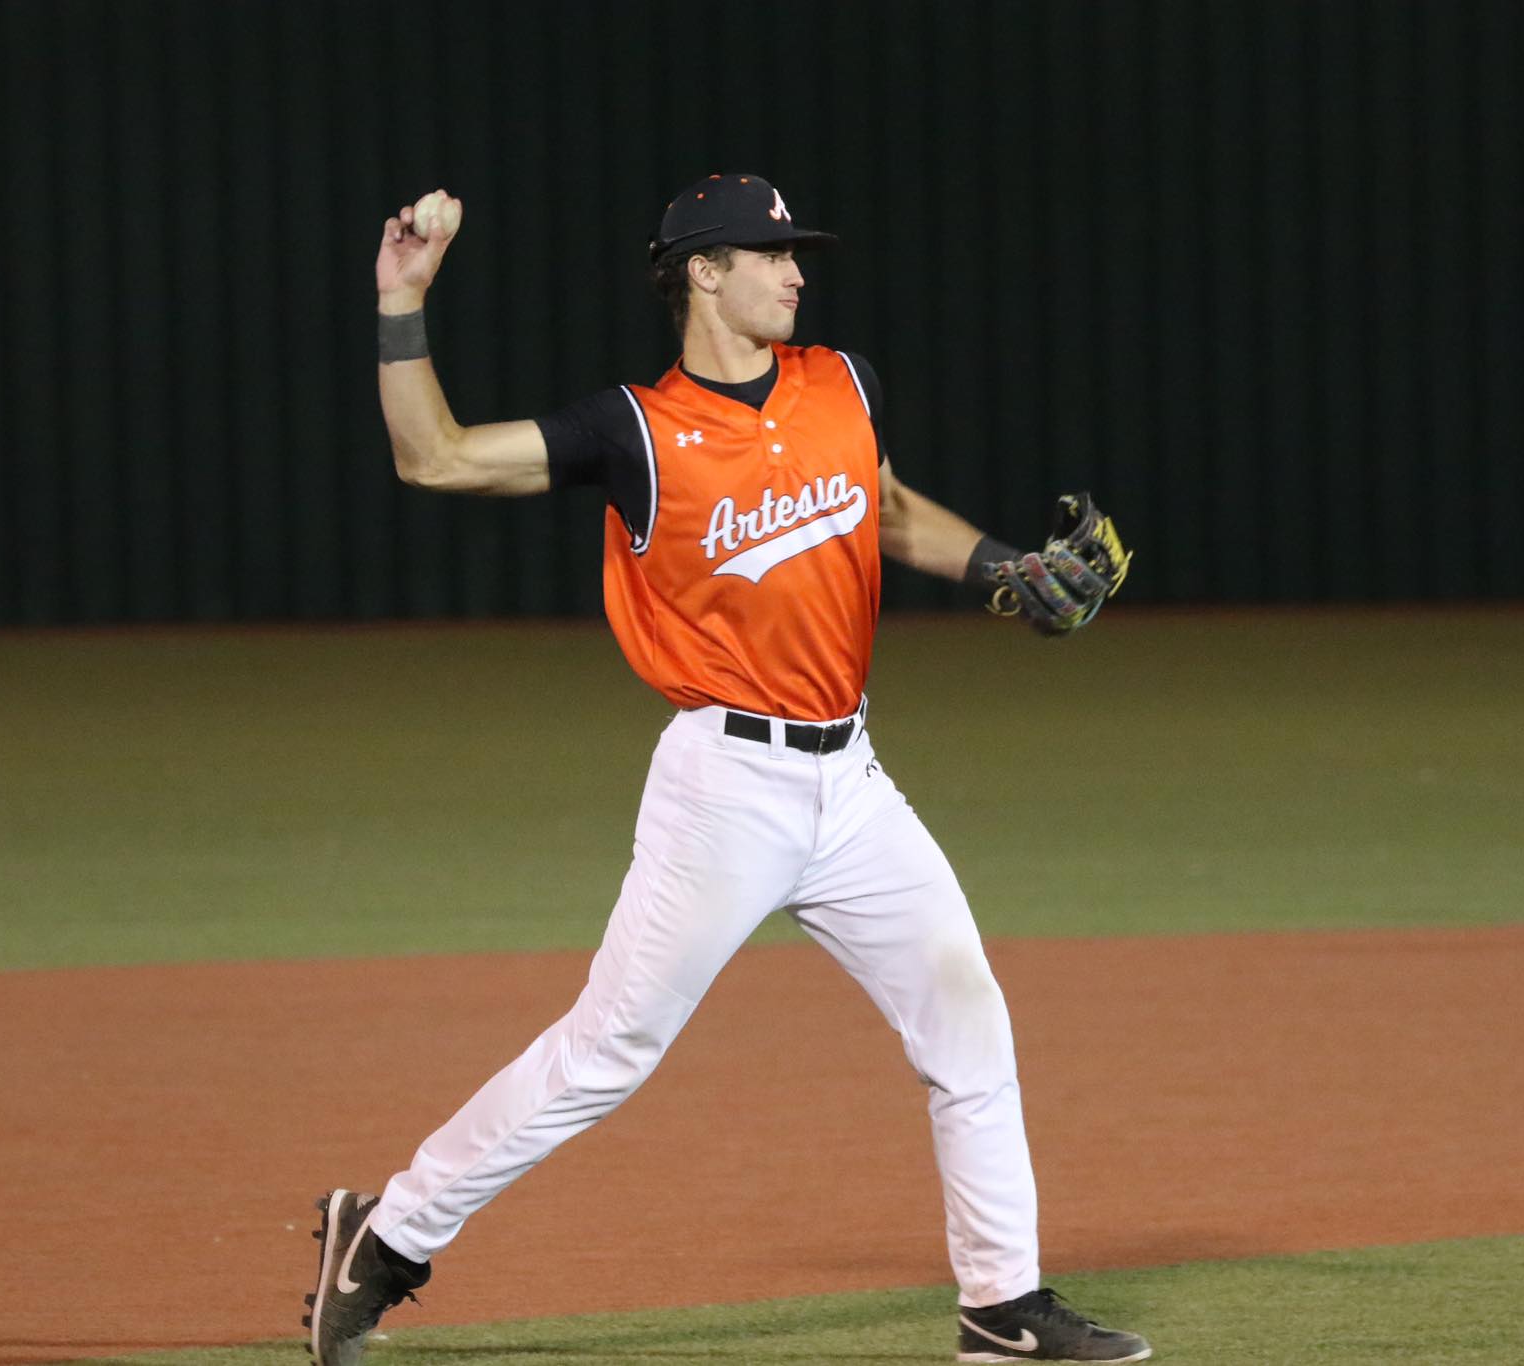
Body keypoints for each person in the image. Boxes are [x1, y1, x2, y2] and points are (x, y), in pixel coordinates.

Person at [306, 173, 1149, 1366]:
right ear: (702, 272)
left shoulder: (835, 381)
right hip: (724, 785)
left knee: (966, 1018)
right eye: (770, 252)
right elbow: (434, 458)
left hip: (850, 780)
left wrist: (1006, 570)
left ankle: (1001, 1307)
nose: (796, 270)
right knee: (607, 1051)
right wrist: (402, 302)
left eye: (795, 251)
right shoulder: (633, 430)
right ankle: (386, 1237)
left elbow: (887, 507)